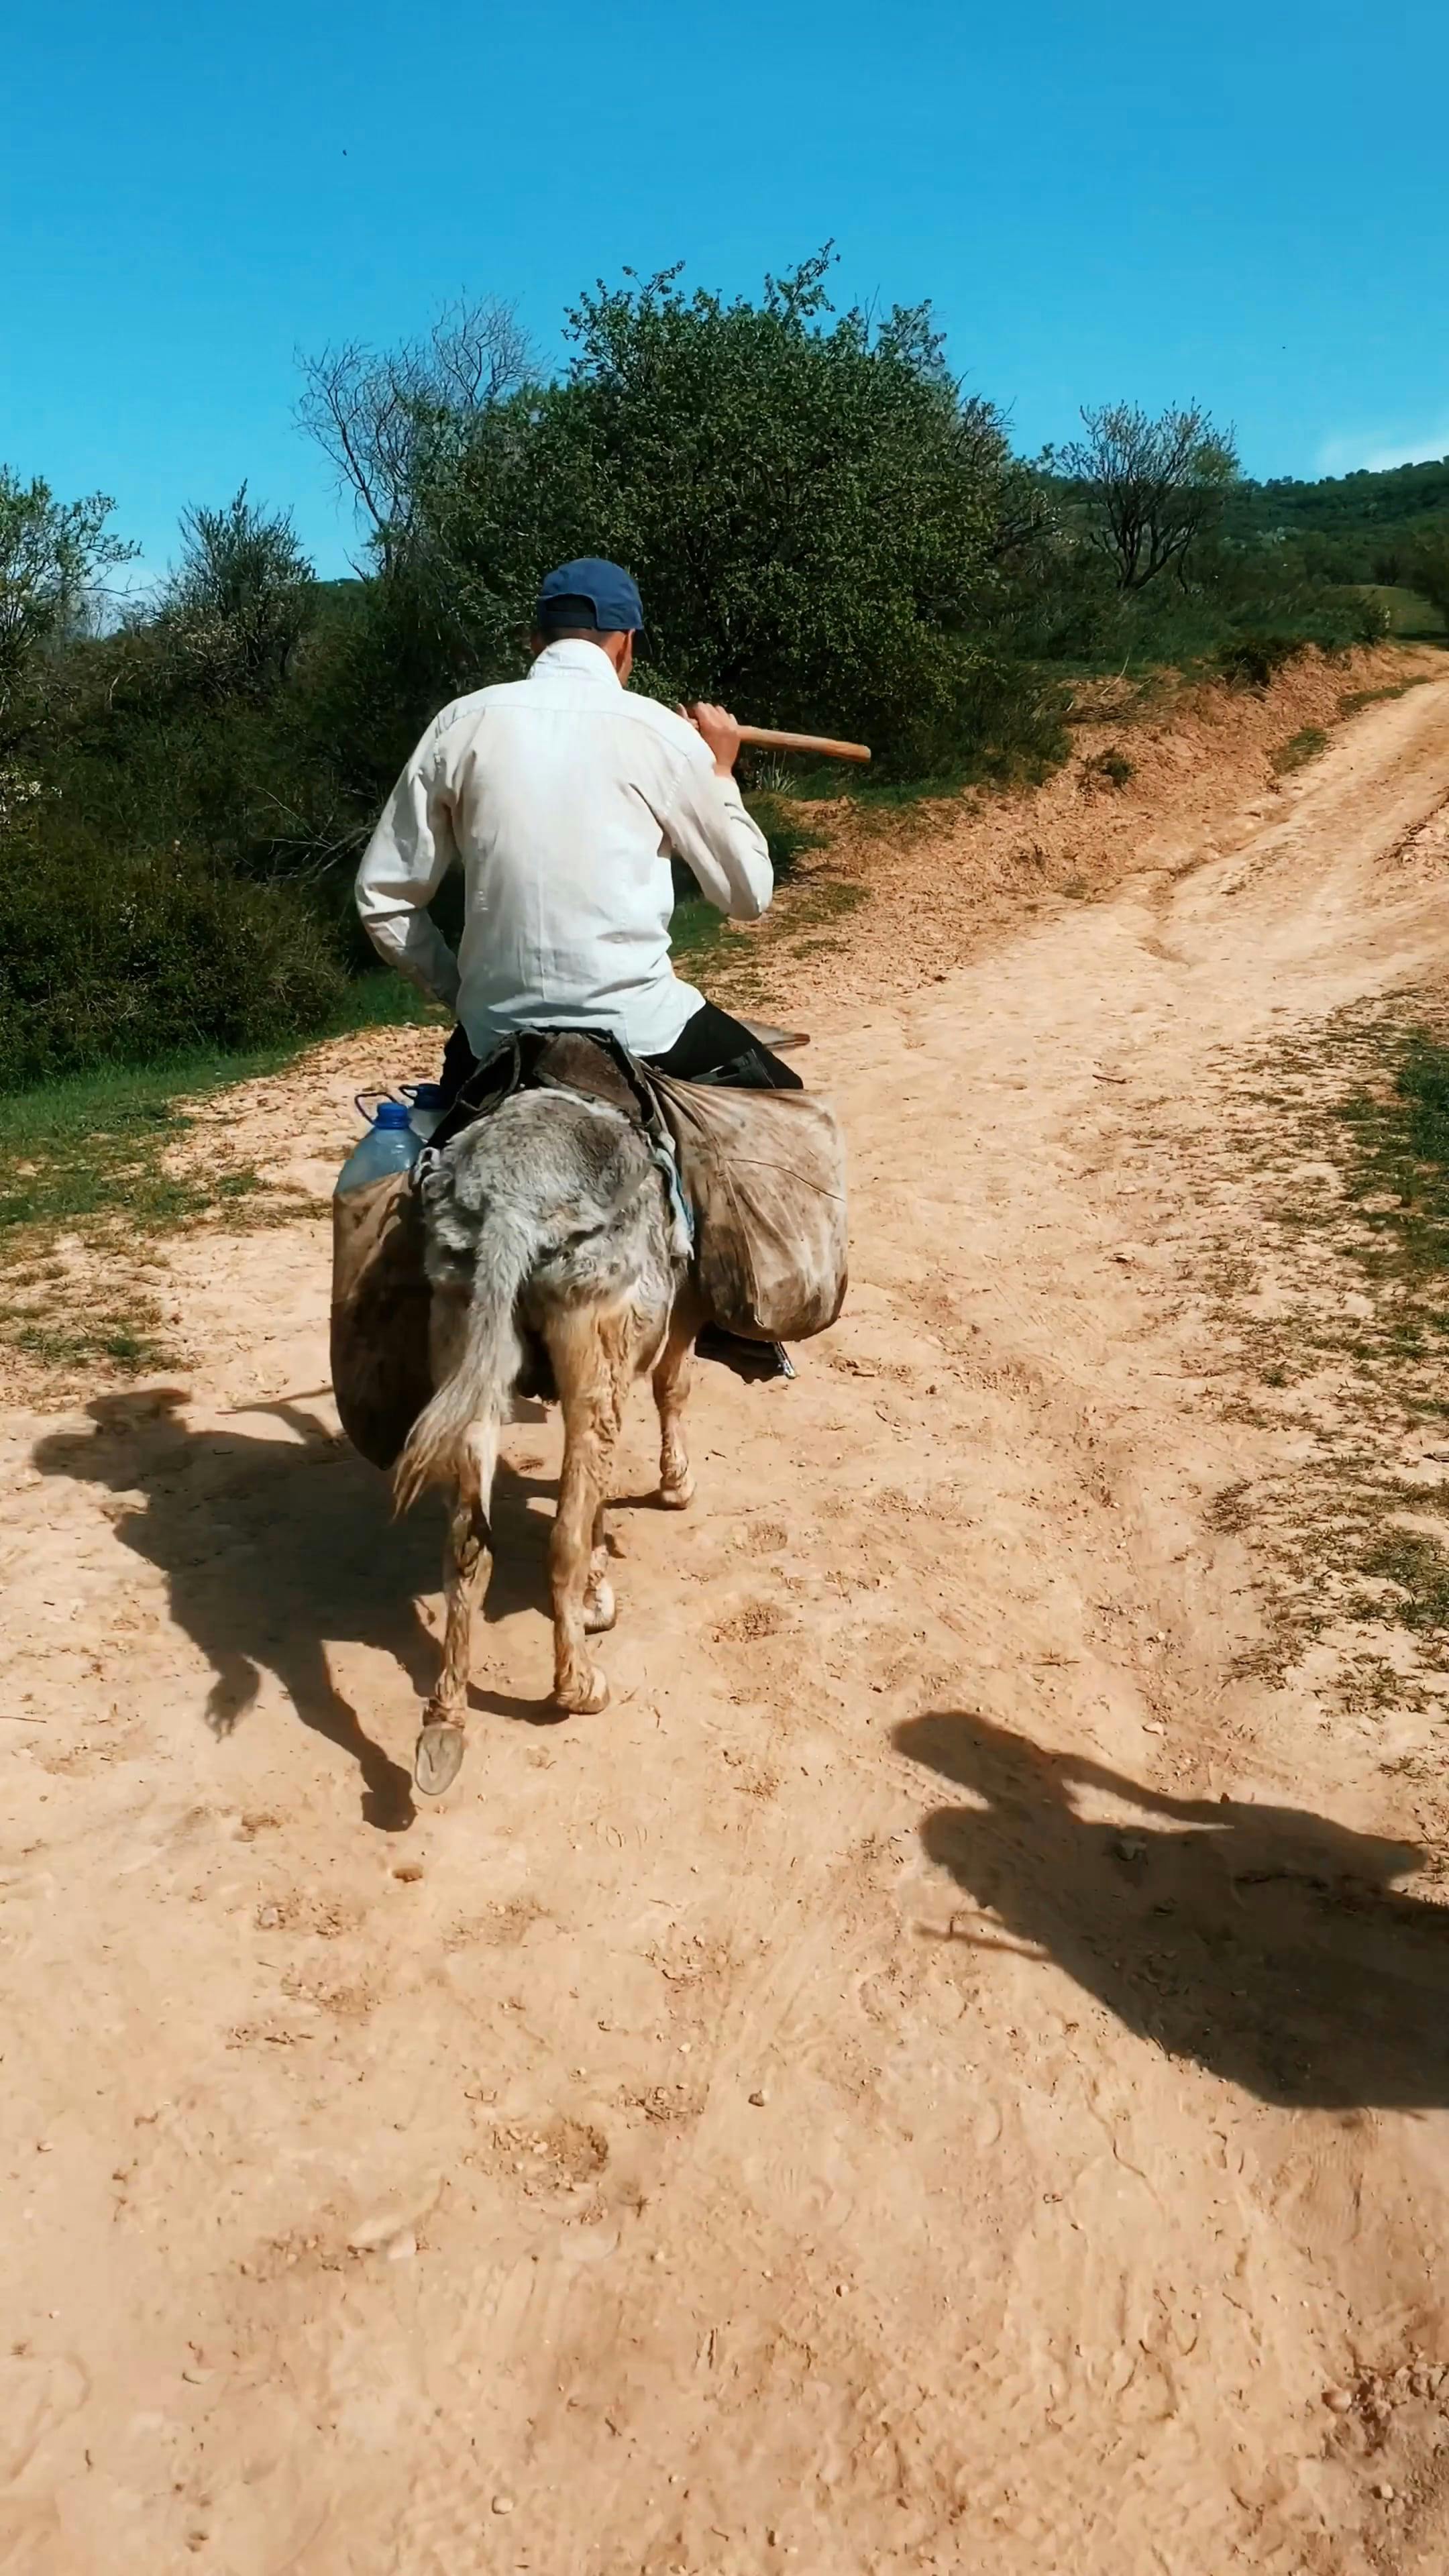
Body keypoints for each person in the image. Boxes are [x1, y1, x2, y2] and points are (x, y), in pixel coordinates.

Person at [354, 555, 803, 1377]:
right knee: (777, 1097)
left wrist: (462, 991)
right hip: (639, 1023)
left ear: (535, 639)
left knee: (426, 1156)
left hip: (496, 1032)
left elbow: (383, 898)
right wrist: (719, 770)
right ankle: (733, 1311)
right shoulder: (661, 734)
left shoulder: (460, 723)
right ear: (625, 644)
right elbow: (748, 894)